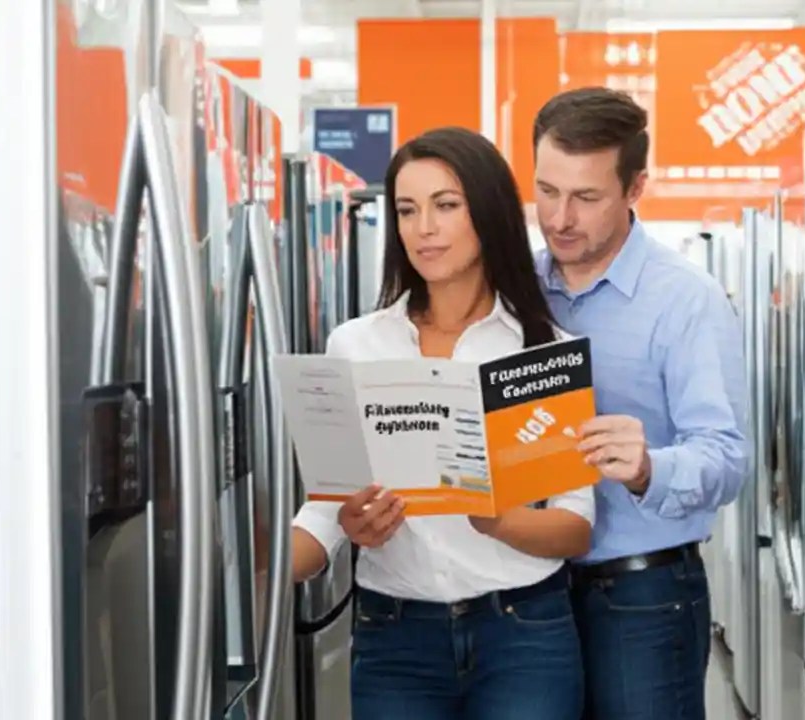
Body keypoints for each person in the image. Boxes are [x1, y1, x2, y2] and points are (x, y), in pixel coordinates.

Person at [289, 126, 595, 720]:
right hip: (395, 639)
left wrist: (497, 518)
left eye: (445, 205)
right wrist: (244, 570)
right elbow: (325, 512)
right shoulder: (355, 345)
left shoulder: (542, 350)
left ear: (488, 213)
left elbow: (576, 526)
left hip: (524, 637)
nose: (423, 227)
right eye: (407, 210)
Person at [529, 87, 749, 719]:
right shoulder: (517, 288)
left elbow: (728, 458)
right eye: (547, 190)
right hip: (527, 597)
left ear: (634, 189)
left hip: (642, 599)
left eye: (586, 197)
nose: (561, 218)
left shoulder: (686, 300)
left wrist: (651, 467)